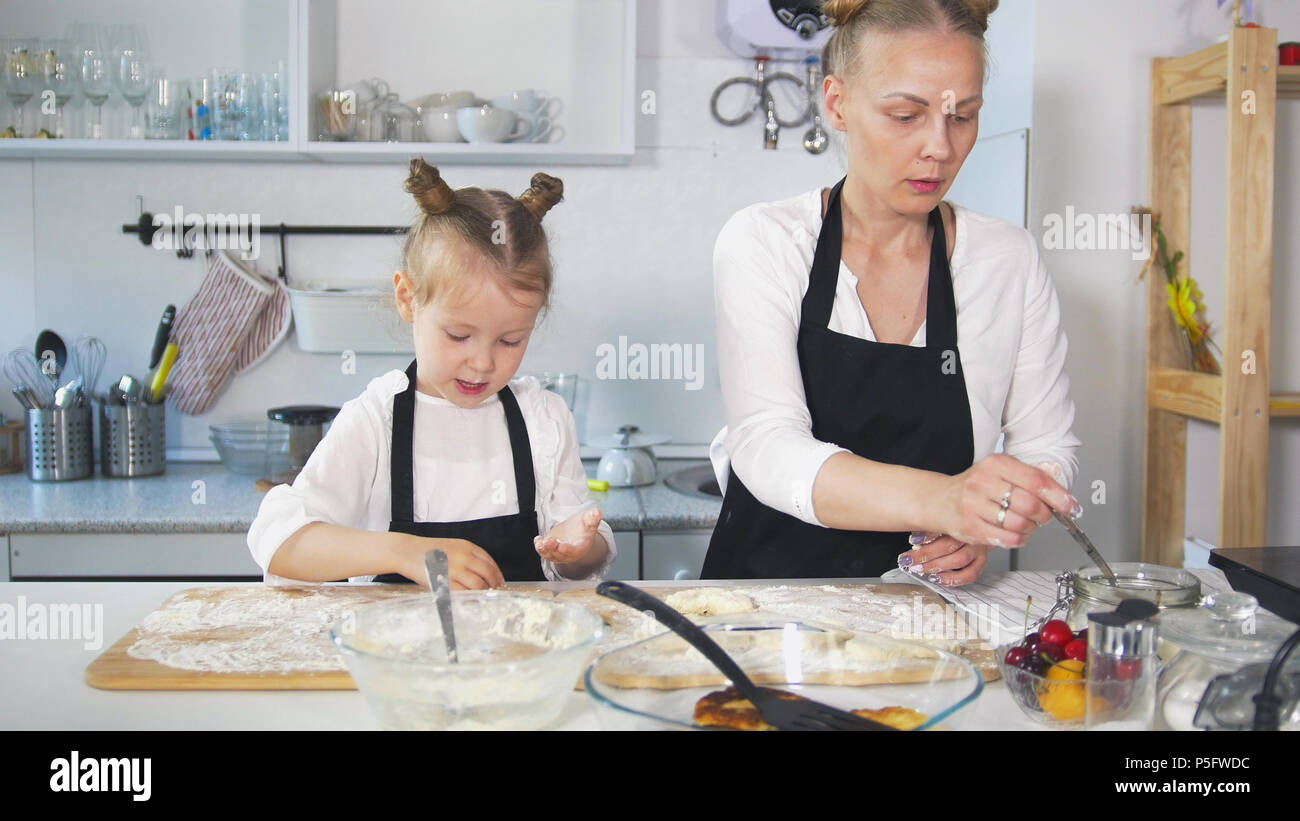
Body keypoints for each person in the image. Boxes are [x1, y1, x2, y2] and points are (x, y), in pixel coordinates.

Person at [703, 0, 1081, 586]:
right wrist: (947, 500)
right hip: (765, 609)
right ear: (837, 103)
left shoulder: (1008, 259)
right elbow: (766, 446)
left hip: (934, 616)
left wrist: (992, 515)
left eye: (963, 116)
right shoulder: (766, 242)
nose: (940, 147)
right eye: (906, 115)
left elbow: (1047, 444)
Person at [247, 159, 615, 589]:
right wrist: (403, 551)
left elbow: (580, 564)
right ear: (407, 298)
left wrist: (579, 550)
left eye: (510, 340)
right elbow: (281, 543)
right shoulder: (376, 421)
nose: (482, 362)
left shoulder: (544, 420)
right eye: (459, 335)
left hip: (521, 654)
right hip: (395, 654)